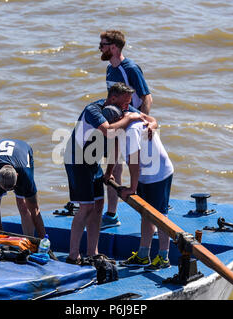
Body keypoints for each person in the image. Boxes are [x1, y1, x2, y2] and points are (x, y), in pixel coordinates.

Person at [64, 83, 157, 265]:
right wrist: (130, 119)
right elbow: (109, 131)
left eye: (129, 104)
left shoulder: (122, 107)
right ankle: (73, 255)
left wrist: (151, 125)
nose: (127, 108)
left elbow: (149, 118)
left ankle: (93, 252)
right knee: (86, 207)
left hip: (93, 161)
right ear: (113, 99)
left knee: (99, 205)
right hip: (77, 160)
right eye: (125, 104)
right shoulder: (93, 110)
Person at [102, 105, 174, 271]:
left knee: (159, 216)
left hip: (159, 173)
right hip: (146, 174)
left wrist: (132, 189)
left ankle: (164, 257)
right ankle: (143, 255)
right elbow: (115, 151)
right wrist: (108, 173)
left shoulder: (132, 130)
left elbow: (134, 163)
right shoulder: (122, 125)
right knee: (146, 214)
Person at [99, 30, 153, 229]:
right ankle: (112, 214)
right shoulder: (109, 69)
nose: (100, 48)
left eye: (103, 45)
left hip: (134, 125)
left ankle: (151, 220)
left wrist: (143, 123)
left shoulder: (129, 68)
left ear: (114, 47)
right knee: (114, 166)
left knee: (142, 168)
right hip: (119, 123)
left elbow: (147, 97)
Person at [0, 139, 46, 238]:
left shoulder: (25, 174)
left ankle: (29, 239)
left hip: (23, 150)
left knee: (23, 204)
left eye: (12, 187)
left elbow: (35, 210)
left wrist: (43, 240)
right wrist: (1, 236)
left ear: (17, 175)